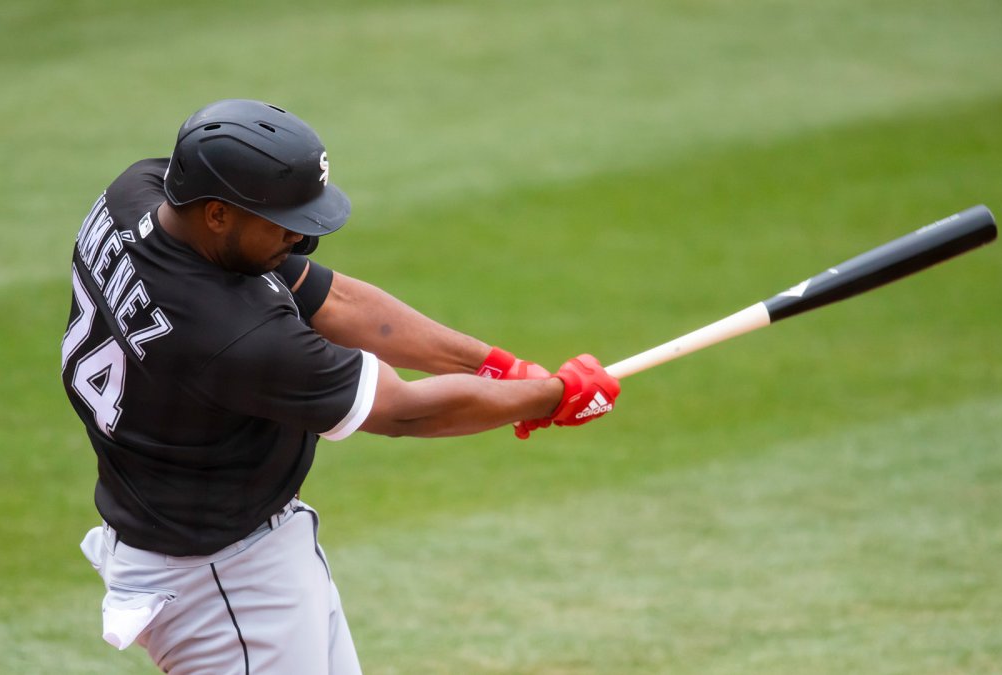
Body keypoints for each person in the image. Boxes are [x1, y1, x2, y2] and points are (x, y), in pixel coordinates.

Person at [60, 98, 621, 674]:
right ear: (218, 214)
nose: (302, 240)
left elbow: (336, 300)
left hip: (222, 547)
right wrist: (552, 397)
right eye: (284, 222)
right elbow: (405, 411)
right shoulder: (235, 337)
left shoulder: (136, 196)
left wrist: (497, 367)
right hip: (225, 589)